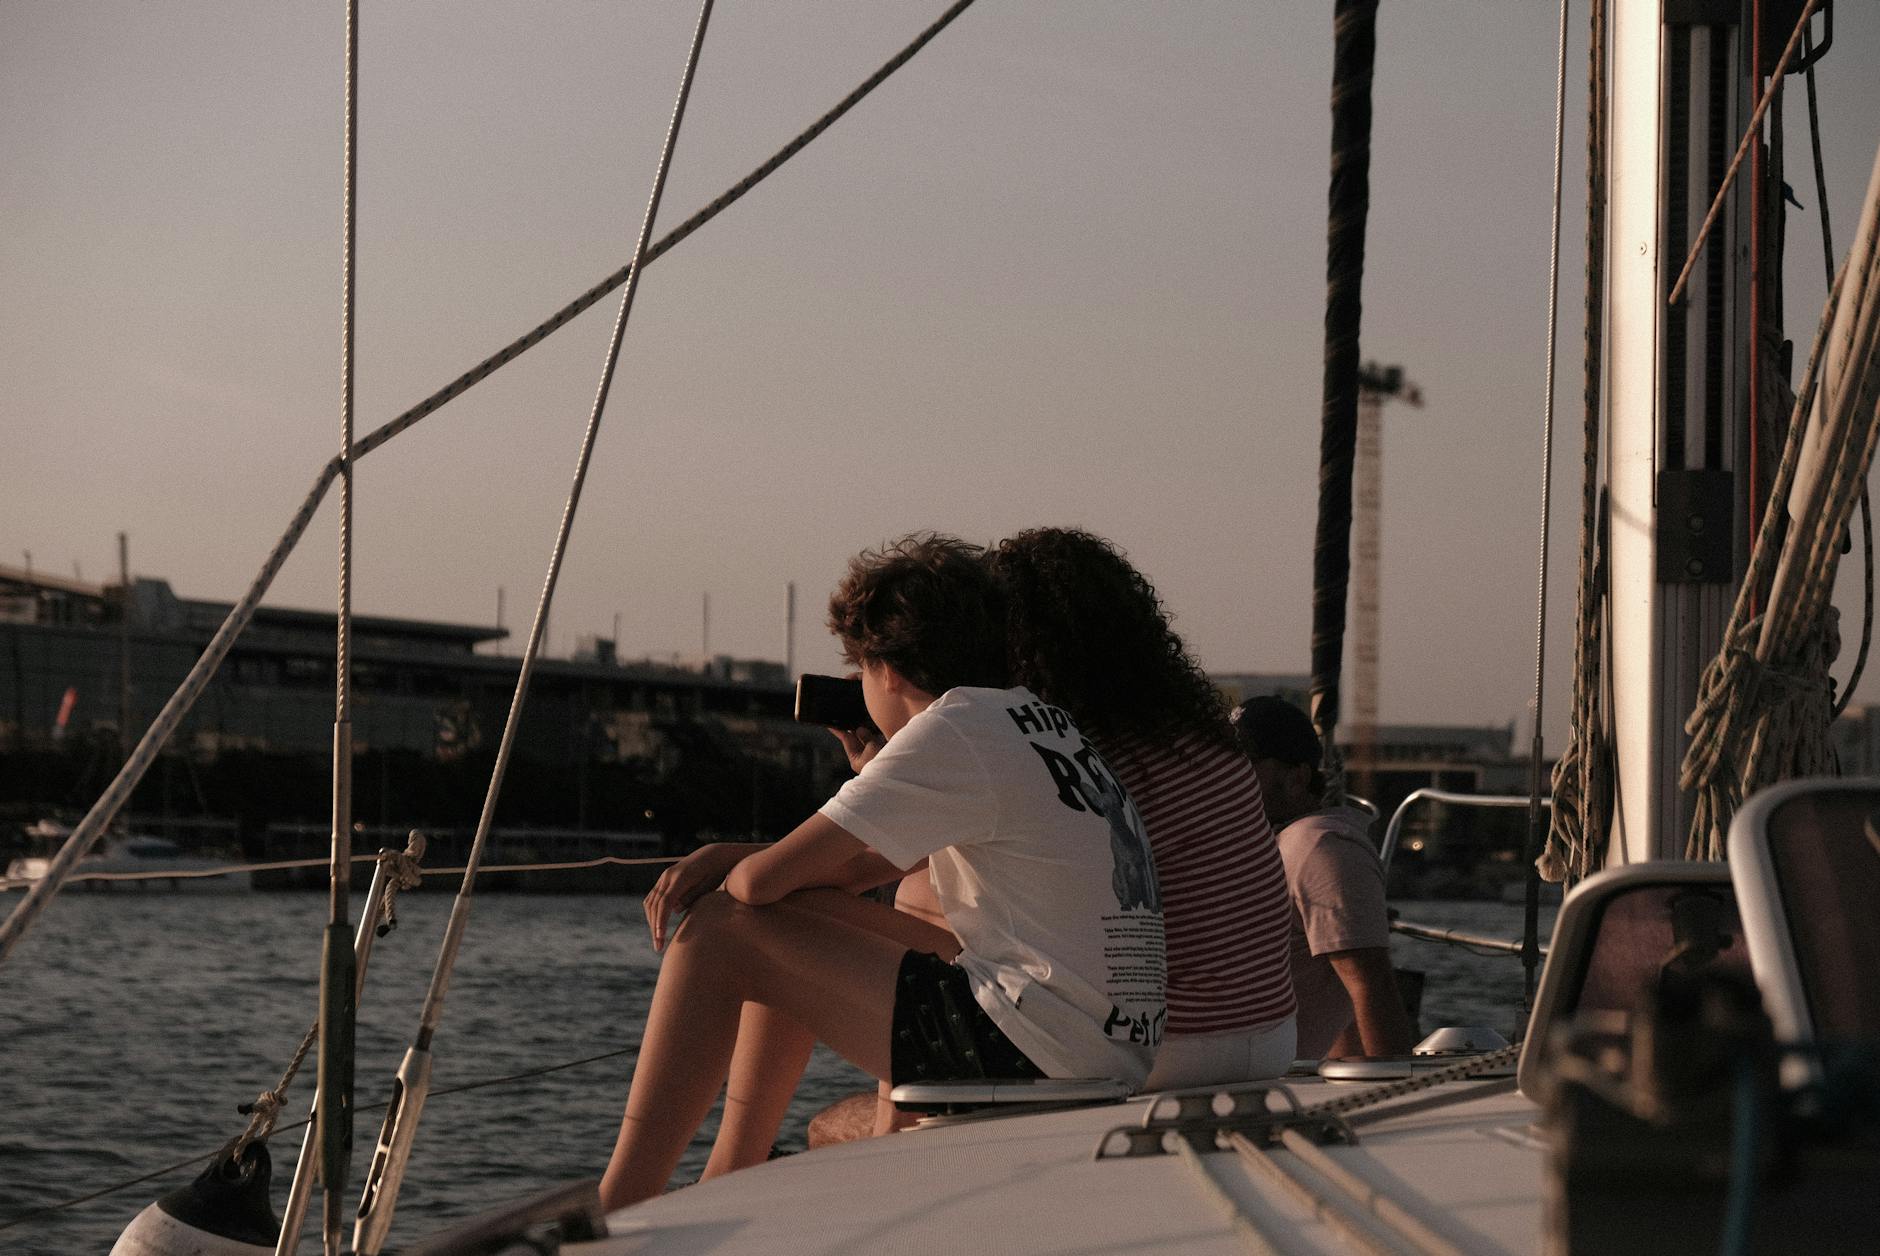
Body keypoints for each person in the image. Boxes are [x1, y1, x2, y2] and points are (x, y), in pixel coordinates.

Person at [600, 534, 1166, 1208]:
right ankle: (733, 1170)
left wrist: (733, 863)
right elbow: (839, 874)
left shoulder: (953, 728)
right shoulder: (1040, 721)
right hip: (1105, 1045)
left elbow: (757, 887)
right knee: (776, 915)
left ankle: (620, 1205)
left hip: (1038, 1050)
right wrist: (743, 859)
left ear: (886, 670)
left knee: (728, 925)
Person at [982, 527, 1297, 1089]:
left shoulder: (1078, 758)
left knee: (925, 898)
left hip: (1163, 1052)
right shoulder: (1209, 740)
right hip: (1272, 1036)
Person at [1231, 695, 1414, 1059]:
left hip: (1265, 1080)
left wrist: (1386, 1092)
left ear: (1297, 778)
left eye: (1246, 763)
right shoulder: (1276, 843)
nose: (1228, 775)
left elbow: (1369, 985)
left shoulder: (1322, 849)